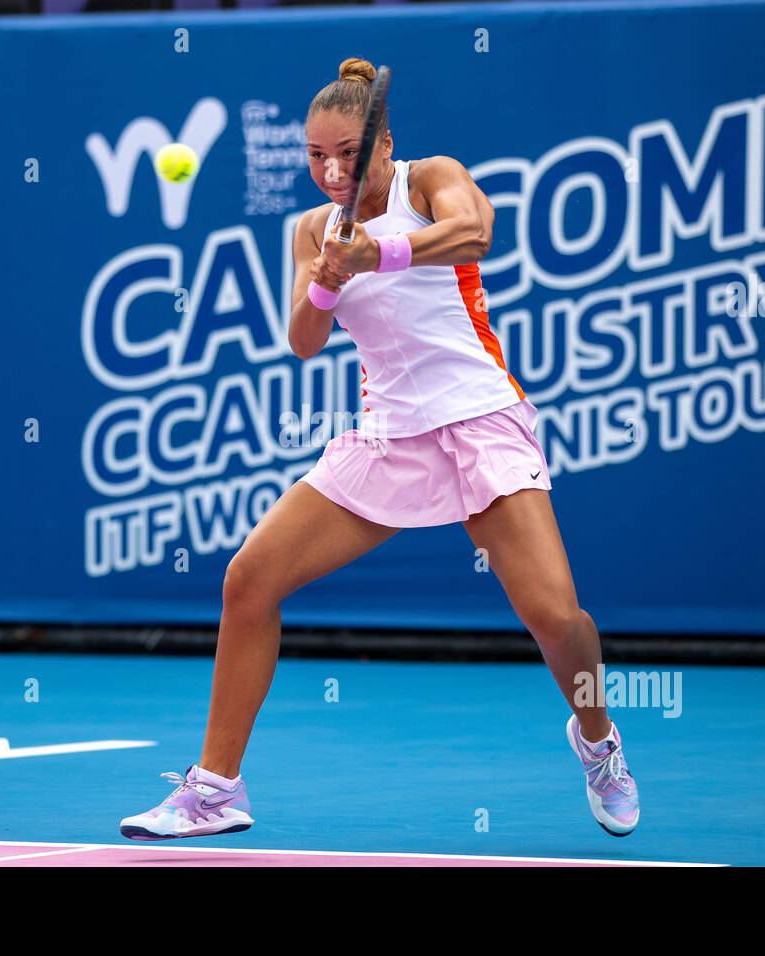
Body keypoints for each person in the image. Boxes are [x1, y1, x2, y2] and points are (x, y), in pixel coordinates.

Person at [120, 57, 639, 842]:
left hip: (480, 421)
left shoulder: (431, 179)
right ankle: (217, 789)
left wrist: (380, 255)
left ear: (385, 143)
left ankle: (597, 738)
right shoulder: (310, 227)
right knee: (249, 580)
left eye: (345, 153)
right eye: (315, 156)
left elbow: (478, 232)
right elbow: (302, 340)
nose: (331, 170)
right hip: (387, 436)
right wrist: (327, 278)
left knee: (556, 617)